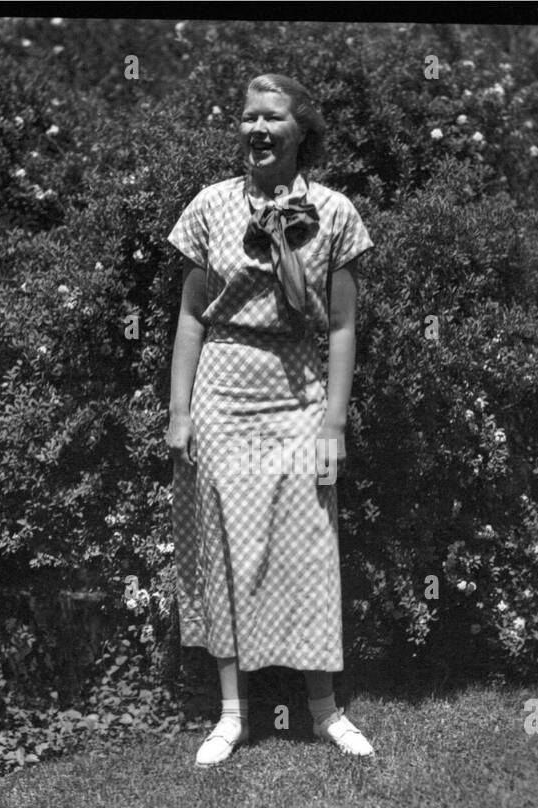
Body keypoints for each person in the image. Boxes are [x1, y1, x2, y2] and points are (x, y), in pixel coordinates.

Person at [165, 73, 375, 766]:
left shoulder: (335, 211)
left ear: (300, 131)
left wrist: (334, 424)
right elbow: (192, 315)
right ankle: (231, 715)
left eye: (272, 118)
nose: (257, 129)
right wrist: (179, 411)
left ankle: (323, 712)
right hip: (221, 392)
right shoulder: (211, 206)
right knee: (224, 545)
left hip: (299, 392)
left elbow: (341, 326)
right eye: (249, 117)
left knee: (307, 544)